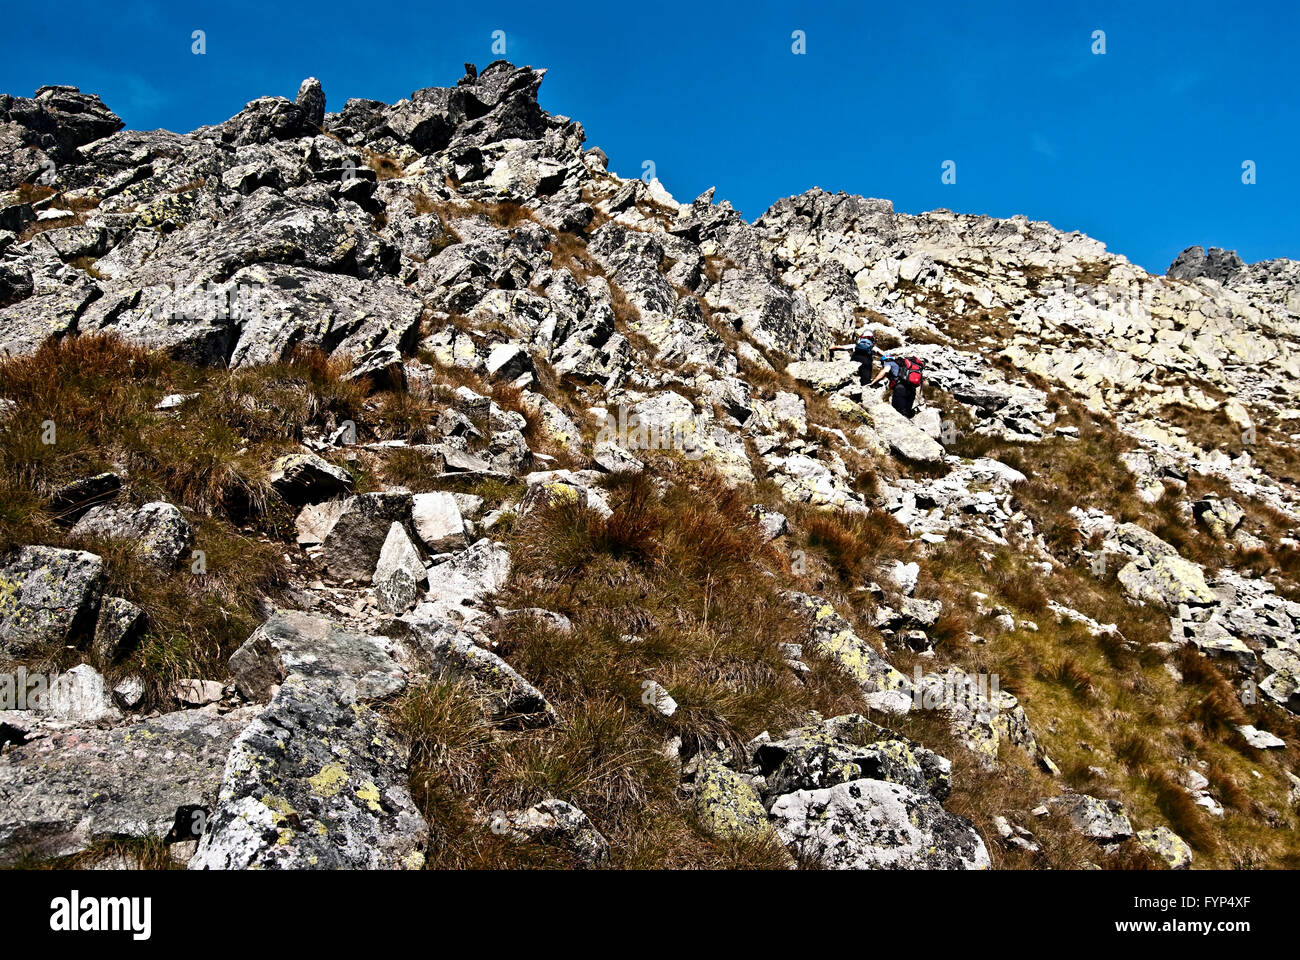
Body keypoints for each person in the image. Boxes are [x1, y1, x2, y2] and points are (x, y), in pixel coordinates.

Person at [870, 353, 919, 419]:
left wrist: (874, 382)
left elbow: (885, 371)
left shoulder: (889, 363)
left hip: (900, 389)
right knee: (907, 413)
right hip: (912, 390)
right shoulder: (901, 365)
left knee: (899, 413)